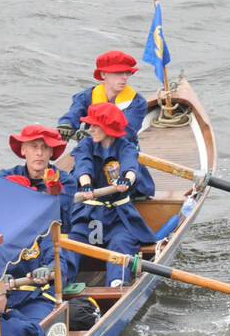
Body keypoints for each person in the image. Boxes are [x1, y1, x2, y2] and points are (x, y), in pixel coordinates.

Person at [69, 102, 157, 286]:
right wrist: (86, 185)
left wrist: (127, 179)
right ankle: (56, 286)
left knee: (121, 244)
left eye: (94, 125)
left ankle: (117, 285)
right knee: (71, 244)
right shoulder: (86, 144)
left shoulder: (126, 146)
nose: (90, 129)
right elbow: (82, 164)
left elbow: (130, 165)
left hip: (119, 216)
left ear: (108, 128)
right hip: (88, 214)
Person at [57, 49, 149, 145]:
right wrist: (67, 124)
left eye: (127, 72)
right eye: (119, 73)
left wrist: (97, 134)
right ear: (103, 74)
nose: (125, 77)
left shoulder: (137, 103)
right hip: (90, 147)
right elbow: (74, 113)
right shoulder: (86, 97)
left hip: (121, 150)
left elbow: (127, 130)